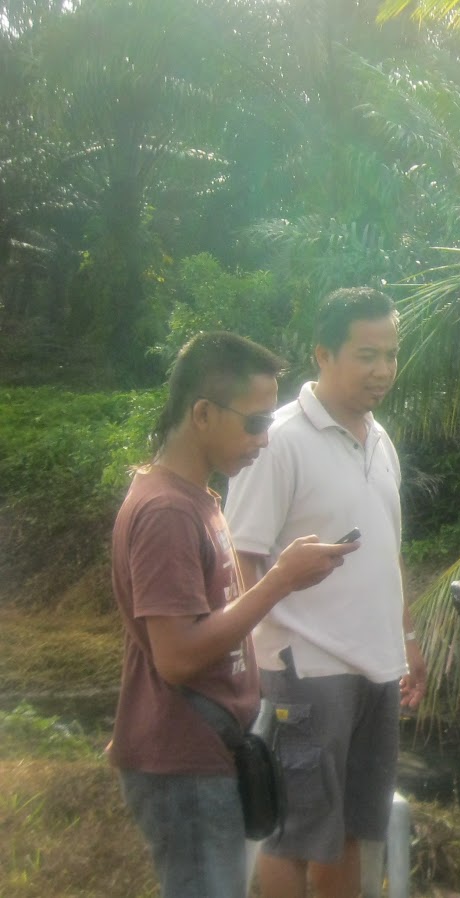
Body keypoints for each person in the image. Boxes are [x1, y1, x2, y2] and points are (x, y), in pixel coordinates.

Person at [109, 332, 358, 898]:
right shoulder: (167, 512)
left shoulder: (197, 499)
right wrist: (279, 582)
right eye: (254, 423)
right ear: (201, 413)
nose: (265, 441)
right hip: (183, 762)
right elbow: (175, 658)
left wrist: (284, 580)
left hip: (206, 756)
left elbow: (213, 619)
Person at [224, 288, 425, 898]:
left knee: (352, 831)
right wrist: (258, 655)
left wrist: (407, 636)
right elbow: (242, 558)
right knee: (295, 835)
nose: (384, 370)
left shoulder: (379, 438)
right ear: (322, 354)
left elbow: (386, 549)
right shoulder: (279, 439)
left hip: (376, 665)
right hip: (304, 669)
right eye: (367, 354)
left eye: (391, 354)